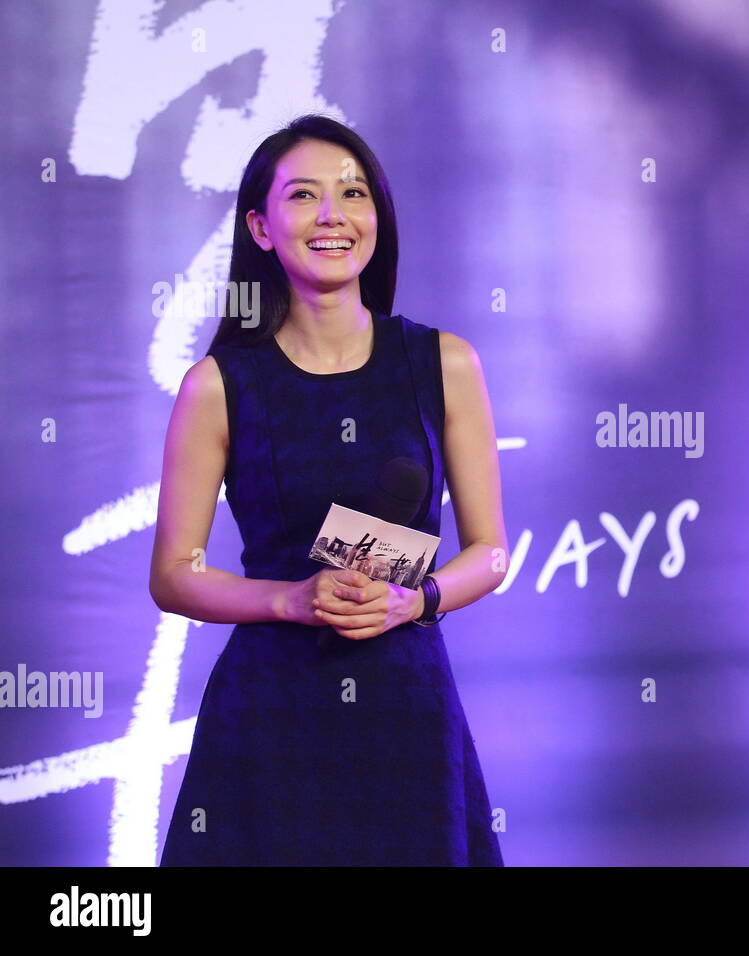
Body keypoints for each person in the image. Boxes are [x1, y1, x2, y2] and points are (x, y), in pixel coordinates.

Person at [151, 114, 507, 865]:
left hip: (405, 701)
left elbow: (490, 552)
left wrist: (420, 599)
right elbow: (173, 575)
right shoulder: (219, 385)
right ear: (261, 227)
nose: (332, 216)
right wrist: (288, 599)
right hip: (272, 707)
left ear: (376, 214)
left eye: (352, 193)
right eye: (304, 196)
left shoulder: (444, 362)